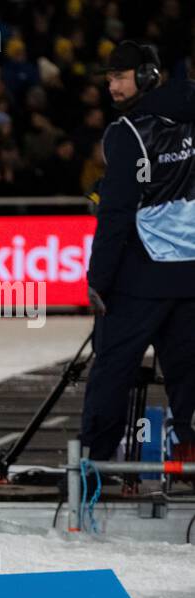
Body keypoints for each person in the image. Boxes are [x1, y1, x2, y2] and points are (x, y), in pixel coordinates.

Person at [83, 41, 195, 464]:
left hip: (140, 278)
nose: (111, 85)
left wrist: (98, 280)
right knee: (189, 374)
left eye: (119, 76)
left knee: (112, 368)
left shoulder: (126, 133)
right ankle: (186, 456)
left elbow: (115, 216)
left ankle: (96, 463)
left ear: (147, 77)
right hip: (190, 275)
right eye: (109, 77)